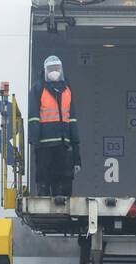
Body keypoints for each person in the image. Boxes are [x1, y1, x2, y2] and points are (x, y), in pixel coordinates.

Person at [28, 55, 81, 197]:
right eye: (51, 69)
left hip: (63, 143)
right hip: (44, 144)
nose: (54, 72)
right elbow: (33, 116)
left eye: (57, 69)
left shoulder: (67, 90)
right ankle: (44, 199)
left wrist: (76, 150)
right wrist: (35, 140)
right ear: (45, 70)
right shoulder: (38, 88)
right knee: (44, 178)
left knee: (63, 179)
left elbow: (72, 120)